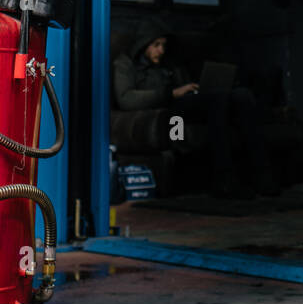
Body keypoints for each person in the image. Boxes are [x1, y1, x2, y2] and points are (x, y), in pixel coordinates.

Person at [113, 23, 279, 198]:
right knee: (217, 100)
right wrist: (170, 93)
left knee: (241, 96)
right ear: (142, 45)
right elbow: (126, 99)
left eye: (163, 45)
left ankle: (263, 174)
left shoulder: (169, 63)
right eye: (156, 45)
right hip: (166, 110)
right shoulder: (125, 64)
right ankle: (224, 179)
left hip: (187, 102)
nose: (161, 50)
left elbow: (184, 85)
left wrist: (192, 88)